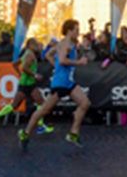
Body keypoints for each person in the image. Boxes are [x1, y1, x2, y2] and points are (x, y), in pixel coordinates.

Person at [21, 19, 91, 150]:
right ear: (69, 31)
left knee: (85, 103)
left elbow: (48, 54)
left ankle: (73, 133)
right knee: (44, 110)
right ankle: (25, 133)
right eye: (76, 29)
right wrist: (79, 62)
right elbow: (63, 60)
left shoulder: (65, 43)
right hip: (60, 83)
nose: (78, 32)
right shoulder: (65, 44)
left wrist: (56, 65)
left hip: (68, 82)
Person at [0, 37, 53, 135]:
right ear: (30, 45)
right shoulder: (30, 55)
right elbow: (25, 67)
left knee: (39, 102)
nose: (37, 46)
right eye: (35, 44)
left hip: (28, 83)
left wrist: (20, 75)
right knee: (17, 105)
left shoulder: (27, 54)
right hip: (27, 84)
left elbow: (14, 64)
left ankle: (40, 126)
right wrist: (34, 75)